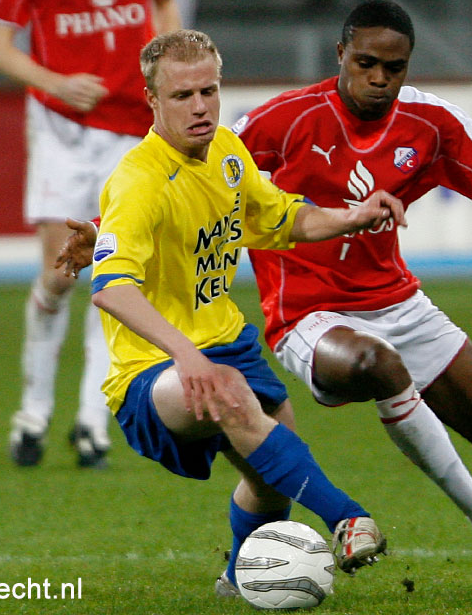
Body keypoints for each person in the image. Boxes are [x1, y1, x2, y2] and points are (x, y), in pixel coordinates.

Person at [59, 0, 472, 588]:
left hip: (360, 310)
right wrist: (107, 238)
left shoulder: (412, 127)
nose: (379, 77)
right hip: (274, 325)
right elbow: (145, 213)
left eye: (394, 67)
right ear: (340, 55)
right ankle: (407, 517)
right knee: (332, 377)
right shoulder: (273, 124)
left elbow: (288, 217)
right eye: (366, 62)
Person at [89, 30, 396, 595]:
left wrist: (353, 215)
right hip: (152, 370)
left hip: (227, 343)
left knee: (270, 473)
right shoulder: (138, 180)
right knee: (230, 392)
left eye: (208, 90)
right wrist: (186, 356)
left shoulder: (228, 152)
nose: (200, 106)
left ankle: (240, 580)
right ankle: (348, 519)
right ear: (152, 100)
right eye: (182, 96)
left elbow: (281, 218)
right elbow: (110, 287)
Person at [0, 0, 182, 467]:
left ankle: (93, 420)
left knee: (115, 272)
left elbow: (165, 8)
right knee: (59, 275)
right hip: (63, 127)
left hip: (133, 128)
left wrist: (167, 73)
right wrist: (56, 83)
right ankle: (33, 412)